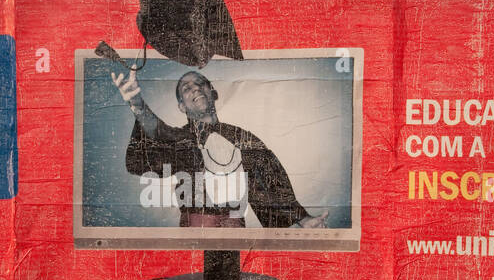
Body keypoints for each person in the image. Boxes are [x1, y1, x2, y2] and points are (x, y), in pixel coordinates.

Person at [111, 67, 330, 229]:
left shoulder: (241, 137)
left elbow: (272, 180)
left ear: (213, 93)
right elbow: (156, 133)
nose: (194, 88)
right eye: (186, 88)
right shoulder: (179, 139)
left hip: (236, 229)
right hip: (196, 229)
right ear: (181, 106)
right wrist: (137, 103)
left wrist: (303, 219)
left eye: (200, 83)